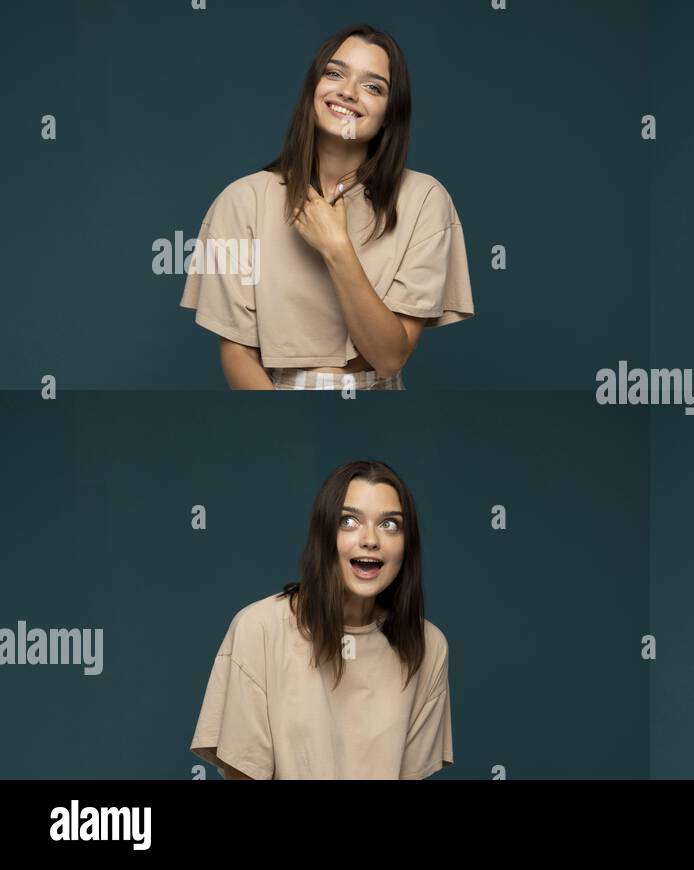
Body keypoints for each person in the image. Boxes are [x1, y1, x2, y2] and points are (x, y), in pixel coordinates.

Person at [180, 23, 473, 390]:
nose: (348, 92)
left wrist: (337, 247)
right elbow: (237, 353)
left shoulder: (425, 199)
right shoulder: (240, 201)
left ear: (390, 113)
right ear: (313, 89)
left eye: (372, 86)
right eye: (335, 73)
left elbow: (389, 358)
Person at [191, 460, 452, 778]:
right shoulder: (258, 629)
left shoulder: (428, 646)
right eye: (349, 521)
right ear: (324, 535)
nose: (371, 539)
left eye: (389, 524)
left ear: (406, 545)